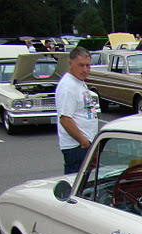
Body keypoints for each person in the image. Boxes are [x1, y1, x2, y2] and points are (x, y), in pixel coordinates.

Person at [55, 46, 99, 174]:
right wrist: (83, 142)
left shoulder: (78, 82)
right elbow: (65, 119)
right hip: (76, 147)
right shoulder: (68, 86)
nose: (85, 70)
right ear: (70, 64)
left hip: (85, 145)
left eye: (88, 66)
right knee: (76, 184)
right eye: (81, 65)